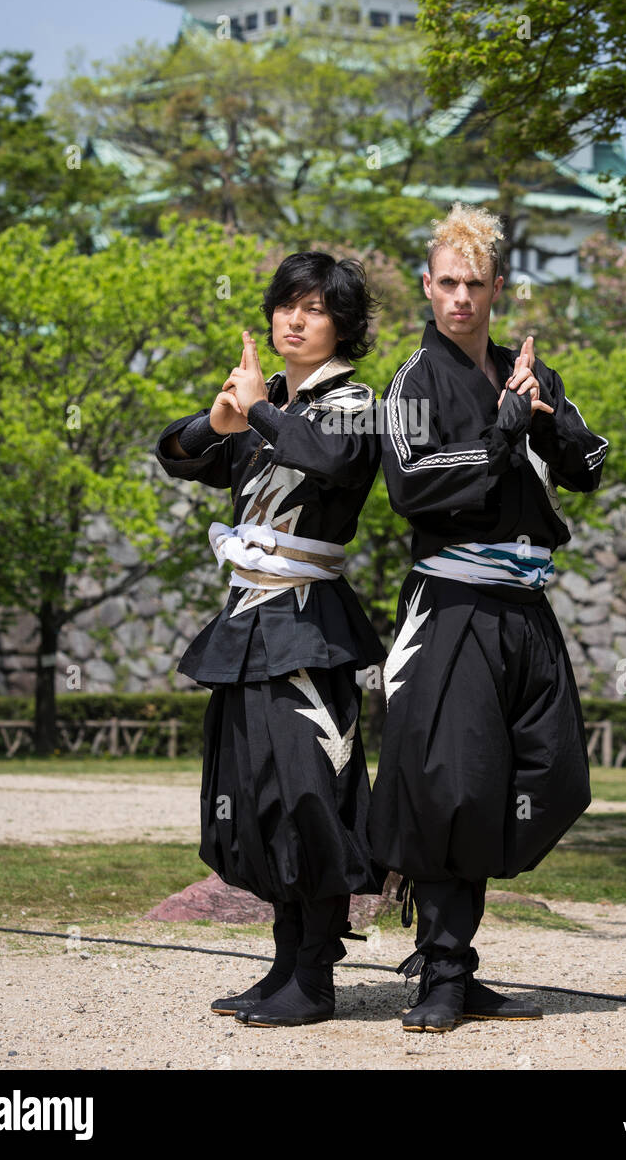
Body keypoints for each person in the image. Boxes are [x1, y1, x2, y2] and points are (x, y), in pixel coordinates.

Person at [369, 202, 609, 1033]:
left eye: (476, 284)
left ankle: (455, 954)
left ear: (498, 287)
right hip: (452, 603)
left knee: (553, 775)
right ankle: (443, 969)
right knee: (452, 787)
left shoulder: (530, 372)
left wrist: (551, 420)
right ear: (428, 288)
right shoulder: (411, 381)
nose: (461, 299)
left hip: (526, 607)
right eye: (447, 284)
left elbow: (589, 468)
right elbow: (411, 486)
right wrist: (504, 430)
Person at [153, 252, 386, 1028]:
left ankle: (315, 978)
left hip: (309, 624)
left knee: (308, 794)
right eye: (287, 304)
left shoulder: (354, 402)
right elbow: (176, 456)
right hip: (248, 622)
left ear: (343, 324)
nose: (295, 319)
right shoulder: (271, 402)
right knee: (255, 797)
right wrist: (216, 420)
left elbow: (338, 461)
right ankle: (284, 963)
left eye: (316, 308)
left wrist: (258, 413)